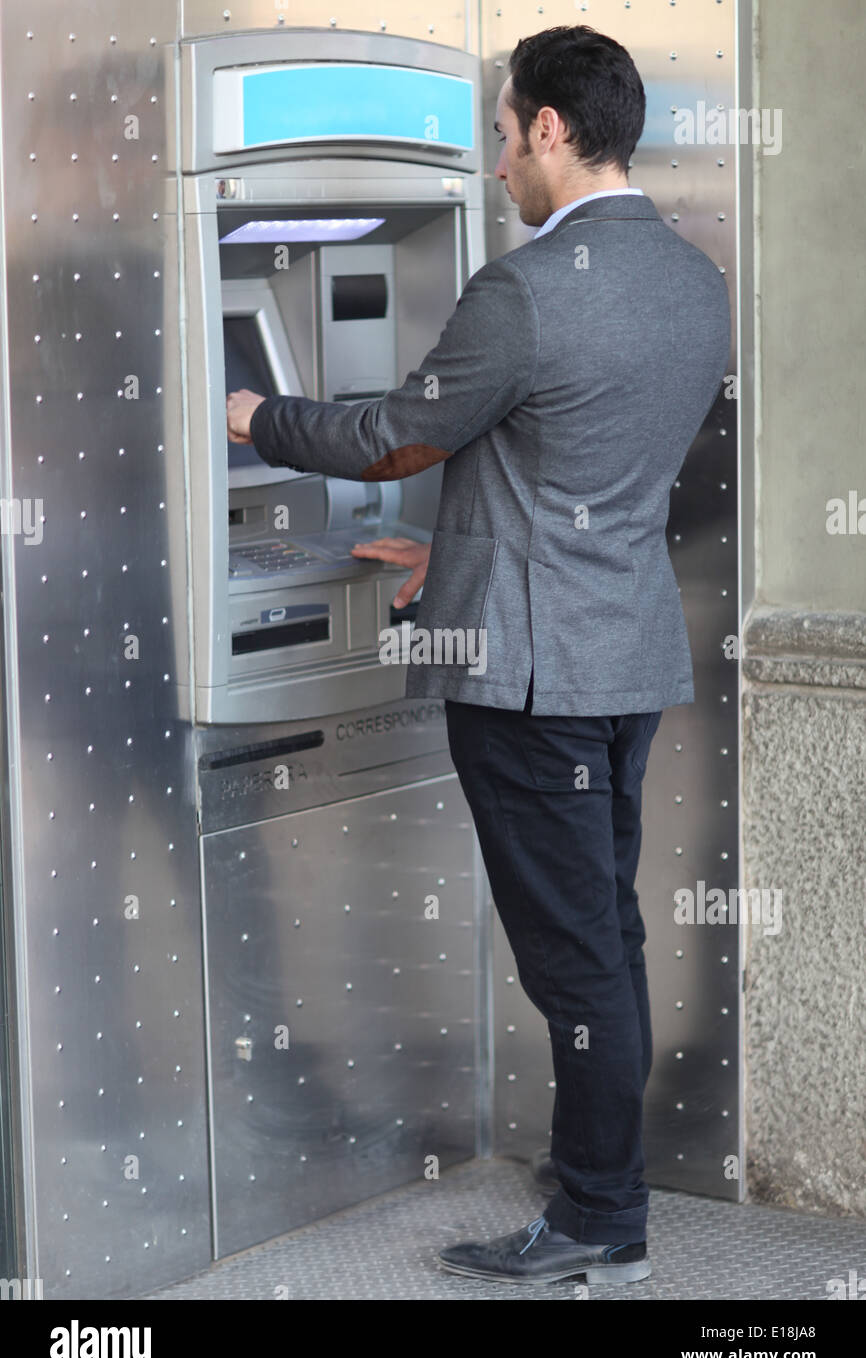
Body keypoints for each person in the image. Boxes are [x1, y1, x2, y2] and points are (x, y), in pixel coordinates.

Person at [227, 24, 730, 1288]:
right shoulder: (689, 277)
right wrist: (442, 559)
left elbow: (398, 436)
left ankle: (600, 1216)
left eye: (502, 136)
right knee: (600, 933)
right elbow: (581, 469)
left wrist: (255, 415)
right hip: (616, 656)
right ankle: (599, 1179)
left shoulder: (523, 288)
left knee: (570, 953)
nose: (497, 165)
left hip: (527, 681)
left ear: (551, 128)